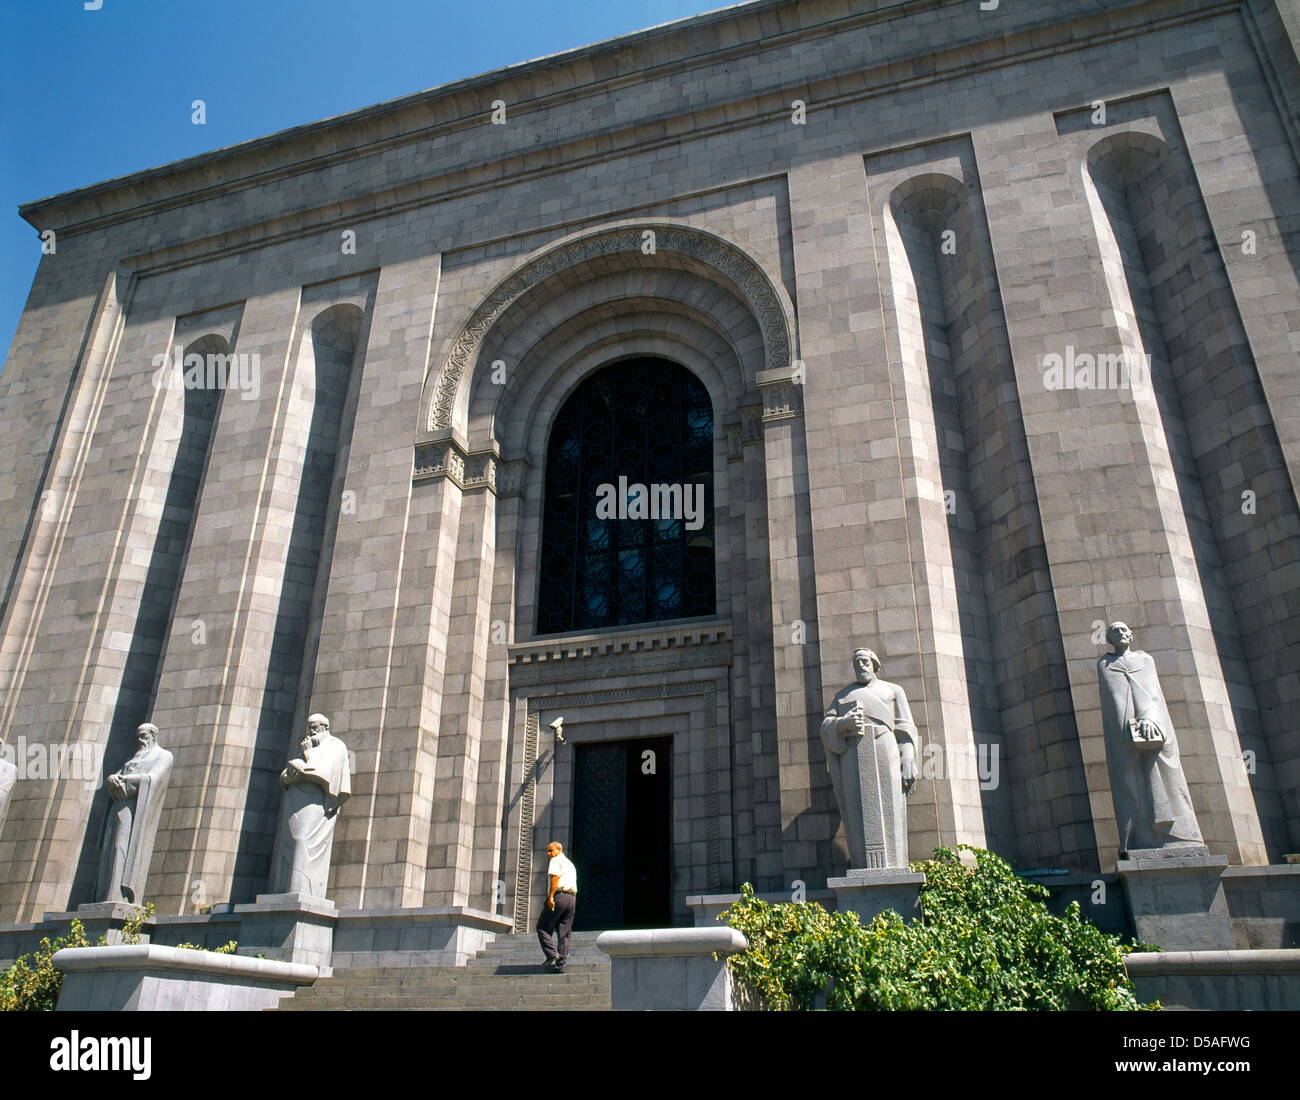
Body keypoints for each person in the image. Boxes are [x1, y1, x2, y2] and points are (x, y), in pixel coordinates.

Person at [1097, 622, 1203, 855]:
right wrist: (1127, 727)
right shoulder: (1105, 665)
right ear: (1109, 639)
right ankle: (1140, 837)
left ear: (1131, 635)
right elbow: (1115, 700)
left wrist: (1148, 719)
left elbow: (1152, 693)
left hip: (1155, 725)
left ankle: (1179, 834)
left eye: (1125, 630)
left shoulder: (1145, 660)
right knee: (1131, 780)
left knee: (1165, 776)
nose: (1121, 634)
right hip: (1125, 732)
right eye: (1116, 631)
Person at [819, 647, 919, 869]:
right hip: (853, 753)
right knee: (856, 805)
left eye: (864, 661)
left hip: (885, 748)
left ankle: (895, 863)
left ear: (874, 664)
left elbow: (905, 726)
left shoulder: (893, 691)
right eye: (856, 663)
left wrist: (909, 755)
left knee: (891, 801)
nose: (861, 666)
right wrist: (842, 724)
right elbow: (825, 727)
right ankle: (863, 864)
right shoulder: (842, 696)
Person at [270, 713, 351, 898]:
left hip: (316, 803)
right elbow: (288, 772)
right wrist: (288, 776)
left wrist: (308, 755)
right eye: (310, 727)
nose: (312, 730)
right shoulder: (307, 745)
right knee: (290, 841)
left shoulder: (335, 745)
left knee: (303, 841)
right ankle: (287, 889)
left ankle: (302, 889)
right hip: (296, 801)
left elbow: (330, 774)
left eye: (315, 726)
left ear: (326, 727)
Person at [95, 723, 174, 904]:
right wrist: (112, 778)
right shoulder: (133, 758)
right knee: (111, 848)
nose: (140, 740)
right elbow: (118, 774)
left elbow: (153, 778)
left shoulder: (163, 756)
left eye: (144, 736)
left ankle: (118, 894)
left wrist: (126, 779)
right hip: (119, 806)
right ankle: (107, 894)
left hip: (135, 810)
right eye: (138, 736)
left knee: (121, 847)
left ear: (153, 735)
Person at [536, 840, 578, 972]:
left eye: (551, 850)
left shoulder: (556, 860)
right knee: (565, 932)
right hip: (571, 899)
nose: (549, 854)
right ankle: (561, 962)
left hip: (559, 896)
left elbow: (555, 878)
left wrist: (551, 896)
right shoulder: (570, 864)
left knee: (542, 926)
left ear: (559, 850)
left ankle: (552, 954)